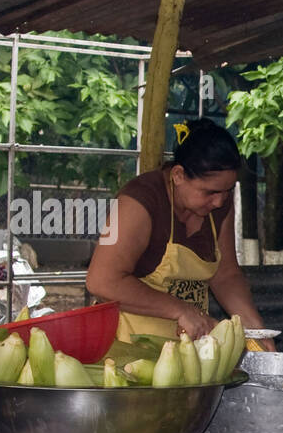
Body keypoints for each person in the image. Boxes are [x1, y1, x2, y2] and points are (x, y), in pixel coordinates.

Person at [87, 118, 270, 346]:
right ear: (178, 175)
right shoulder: (137, 201)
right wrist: (179, 309)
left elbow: (225, 275)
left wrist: (255, 328)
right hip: (126, 350)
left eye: (228, 190)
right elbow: (102, 282)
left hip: (187, 351)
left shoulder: (220, 203)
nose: (220, 201)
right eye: (210, 192)